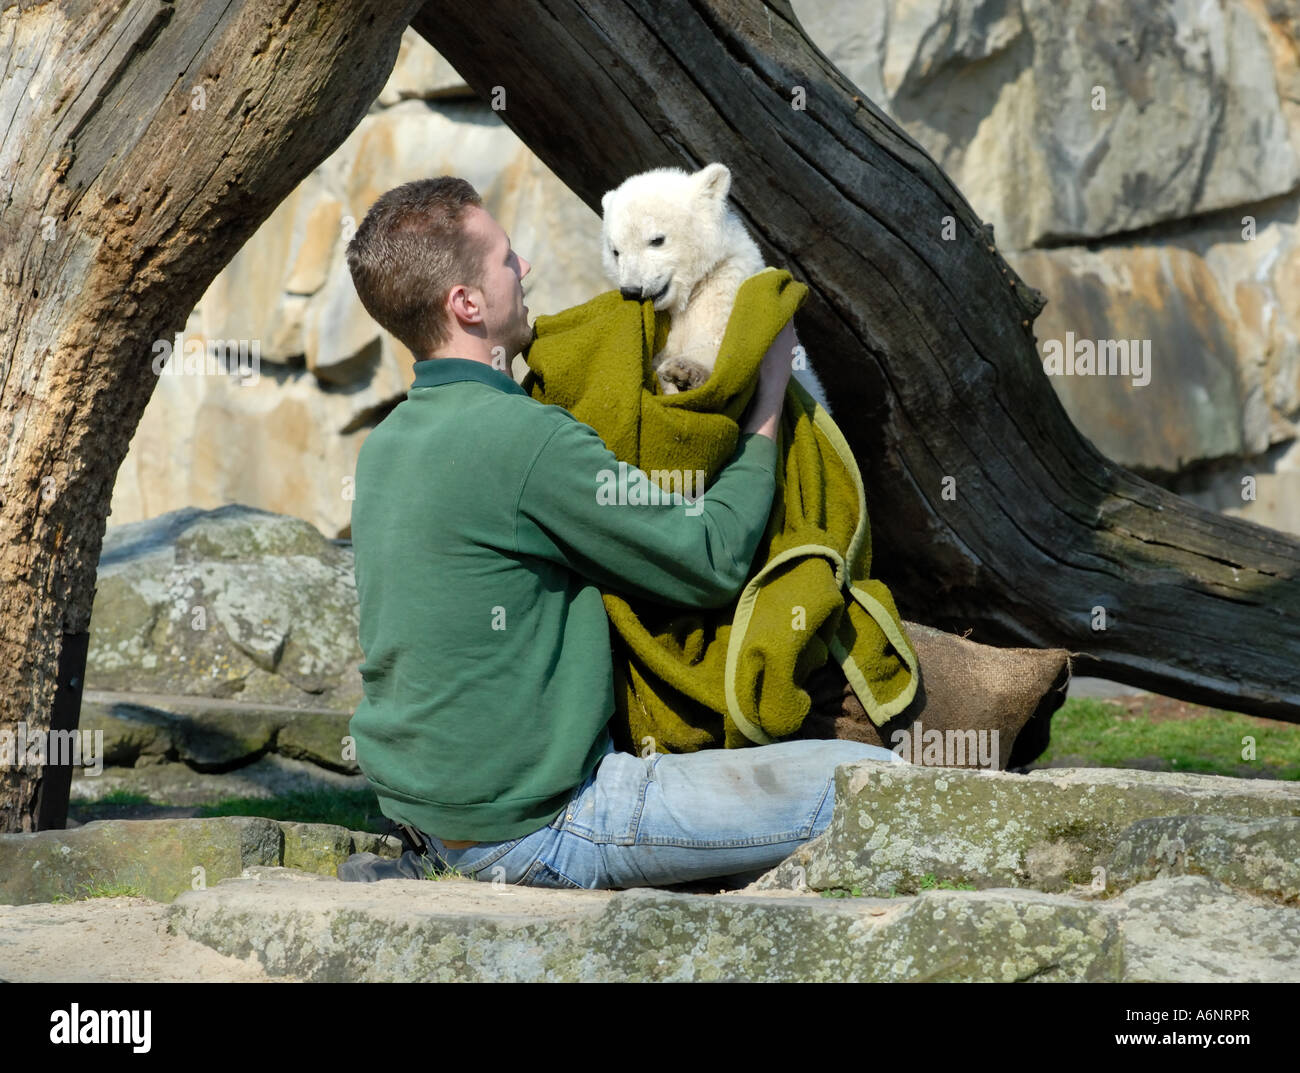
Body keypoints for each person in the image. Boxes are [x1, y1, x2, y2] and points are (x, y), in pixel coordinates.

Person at [338, 175, 906, 890]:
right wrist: (765, 404)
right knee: (884, 785)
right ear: (467, 303)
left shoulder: (387, 445)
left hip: (426, 811)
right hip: (545, 826)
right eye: (508, 260)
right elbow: (710, 555)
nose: (527, 270)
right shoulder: (525, 440)